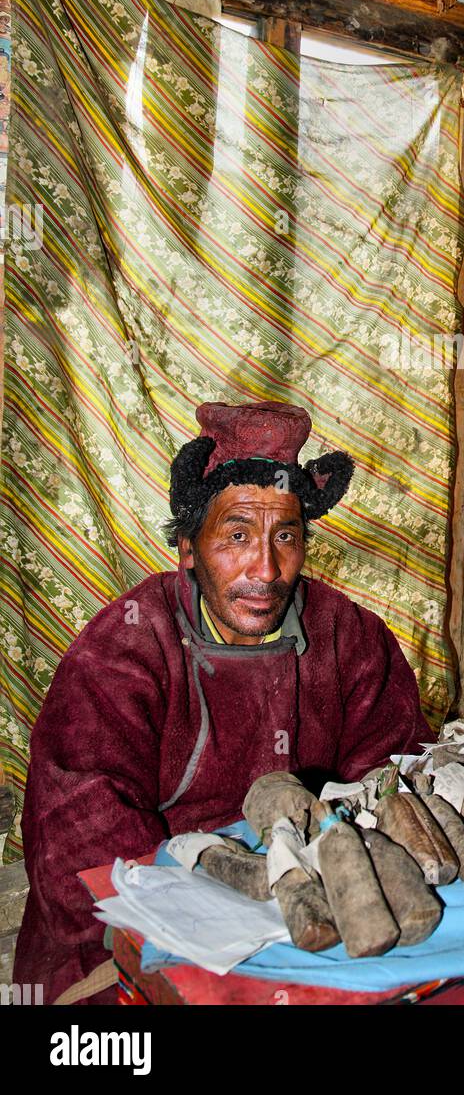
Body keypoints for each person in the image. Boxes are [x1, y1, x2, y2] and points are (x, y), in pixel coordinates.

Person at [13, 401, 432, 1004]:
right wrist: (200, 908)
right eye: (236, 536)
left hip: (309, 899)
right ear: (188, 548)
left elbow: (391, 772)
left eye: (284, 536)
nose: (264, 567)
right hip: (154, 919)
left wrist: (314, 877)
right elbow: (76, 828)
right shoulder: (125, 642)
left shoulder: (351, 635)